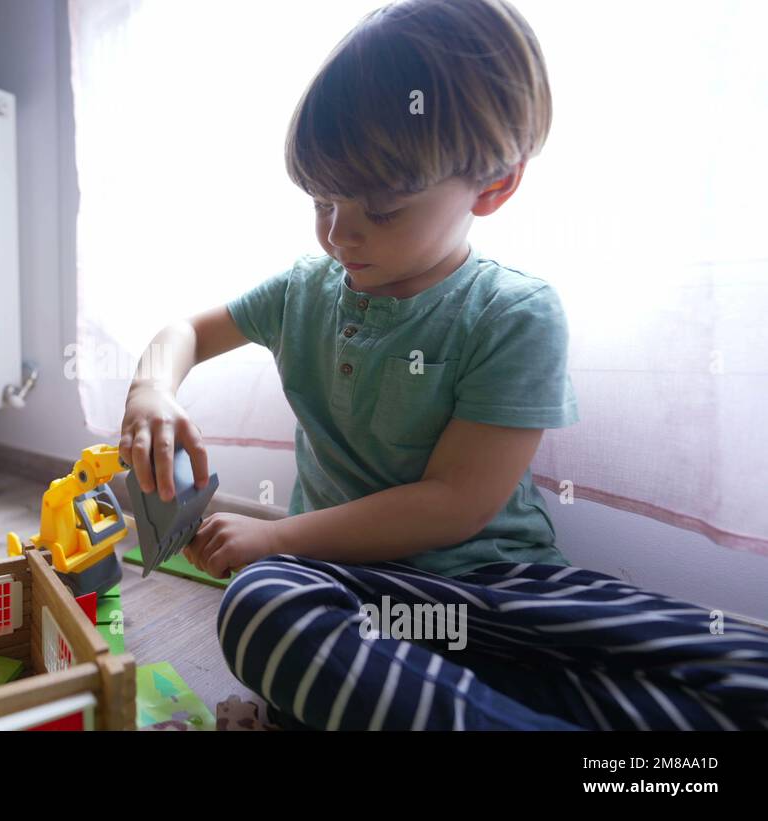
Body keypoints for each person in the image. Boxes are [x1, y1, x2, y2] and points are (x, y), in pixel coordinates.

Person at [117, 0, 768, 730]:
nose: (339, 234)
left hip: (505, 590)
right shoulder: (303, 289)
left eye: (383, 212)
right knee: (266, 604)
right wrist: (152, 387)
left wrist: (275, 534)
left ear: (493, 186)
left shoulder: (513, 312)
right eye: (322, 201)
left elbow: (454, 502)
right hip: (355, 595)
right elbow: (185, 331)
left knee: (741, 664)